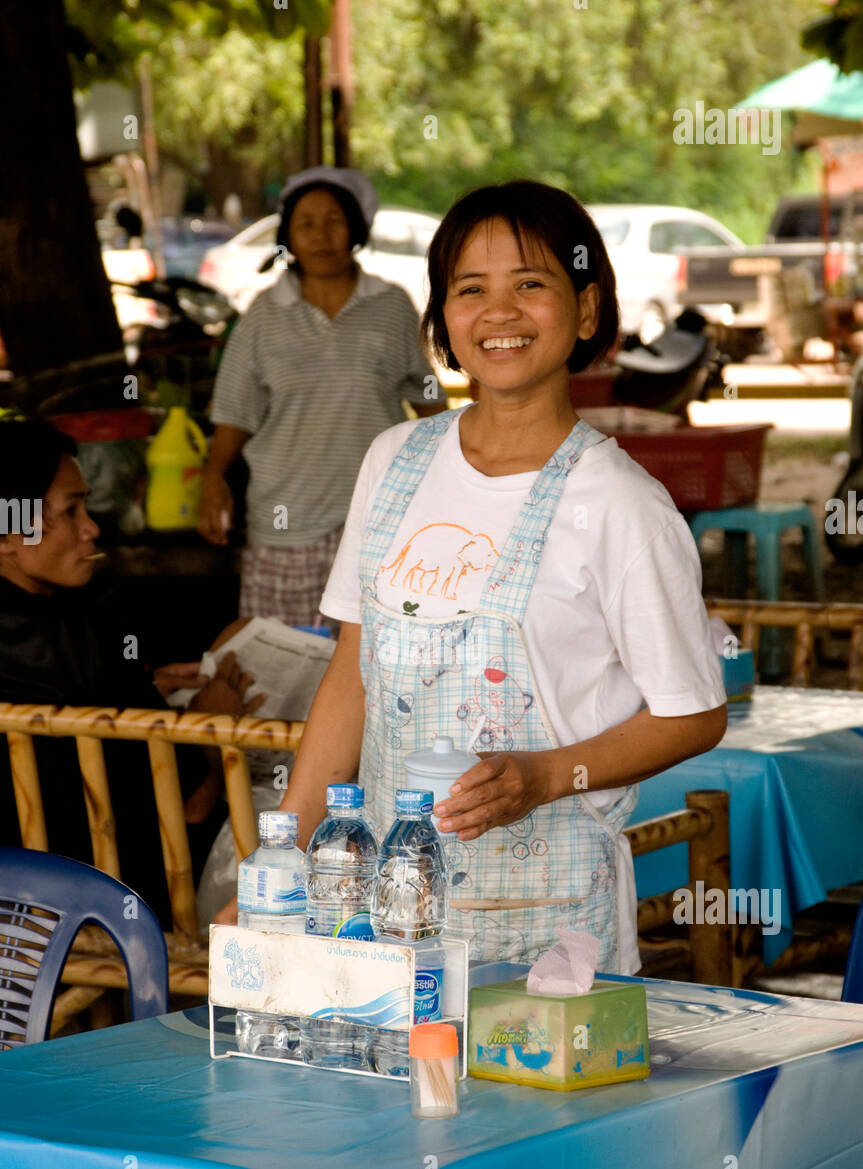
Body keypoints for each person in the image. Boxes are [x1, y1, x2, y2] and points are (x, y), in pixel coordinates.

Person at [216, 180, 727, 972]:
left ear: (586, 311)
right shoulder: (394, 459)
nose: (499, 313)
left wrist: (545, 774)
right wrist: (275, 878)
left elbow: (693, 715)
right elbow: (351, 674)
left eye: (531, 284)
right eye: (470, 290)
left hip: (546, 938)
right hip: (387, 922)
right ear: (442, 322)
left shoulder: (621, 504)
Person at [0, 418, 264, 924]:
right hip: (108, 905)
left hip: (21, 906)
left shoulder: (58, 638)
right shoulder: (86, 636)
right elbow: (186, 808)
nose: (91, 528)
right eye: (71, 510)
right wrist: (212, 730)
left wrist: (144, 687)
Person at [198, 166, 446, 626]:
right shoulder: (264, 315)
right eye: (306, 223)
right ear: (288, 235)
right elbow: (235, 413)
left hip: (379, 519)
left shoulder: (390, 306)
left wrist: (445, 478)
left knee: (369, 668)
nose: (321, 235)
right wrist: (213, 482)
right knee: (280, 666)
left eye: (334, 220)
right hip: (284, 522)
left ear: (356, 228)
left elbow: (429, 398)